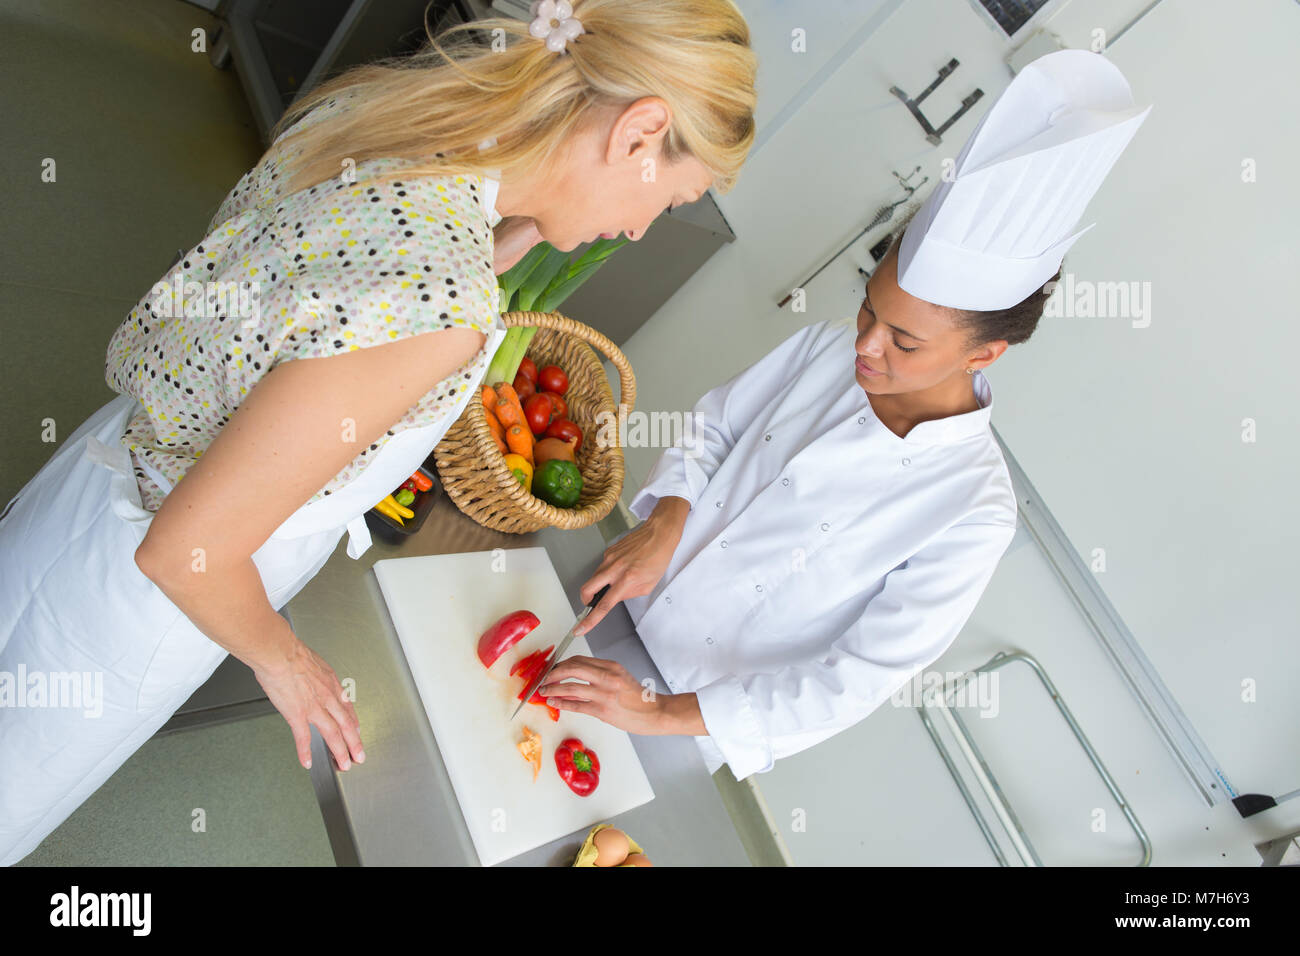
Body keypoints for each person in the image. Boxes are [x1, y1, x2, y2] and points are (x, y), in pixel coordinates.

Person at [0, 0, 757, 864]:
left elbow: (343, 283)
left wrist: (490, 251)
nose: (636, 227)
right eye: (670, 197)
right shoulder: (440, 308)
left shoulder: (387, 117)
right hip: (135, 601)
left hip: (97, 482)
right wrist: (290, 663)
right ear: (640, 132)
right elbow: (187, 554)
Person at [539, 50, 1152, 780]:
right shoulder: (826, 351)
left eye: (904, 340)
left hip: (692, 708)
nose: (864, 345)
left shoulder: (973, 511)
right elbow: (717, 426)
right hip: (617, 593)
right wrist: (668, 519)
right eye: (870, 308)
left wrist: (661, 714)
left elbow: (855, 678)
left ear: (982, 357)